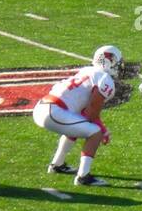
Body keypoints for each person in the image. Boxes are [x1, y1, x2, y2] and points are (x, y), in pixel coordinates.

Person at [33, 46, 126, 187]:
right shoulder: (104, 78)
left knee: (77, 123)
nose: (119, 66)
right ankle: (83, 176)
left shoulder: (87, 71)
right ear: (109, 61)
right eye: (116, 61)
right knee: (95, 132)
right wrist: (103, 130)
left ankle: (57, 164)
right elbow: (92, 112)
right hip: (54, 111)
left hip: (43, 107)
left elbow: (84, 113)